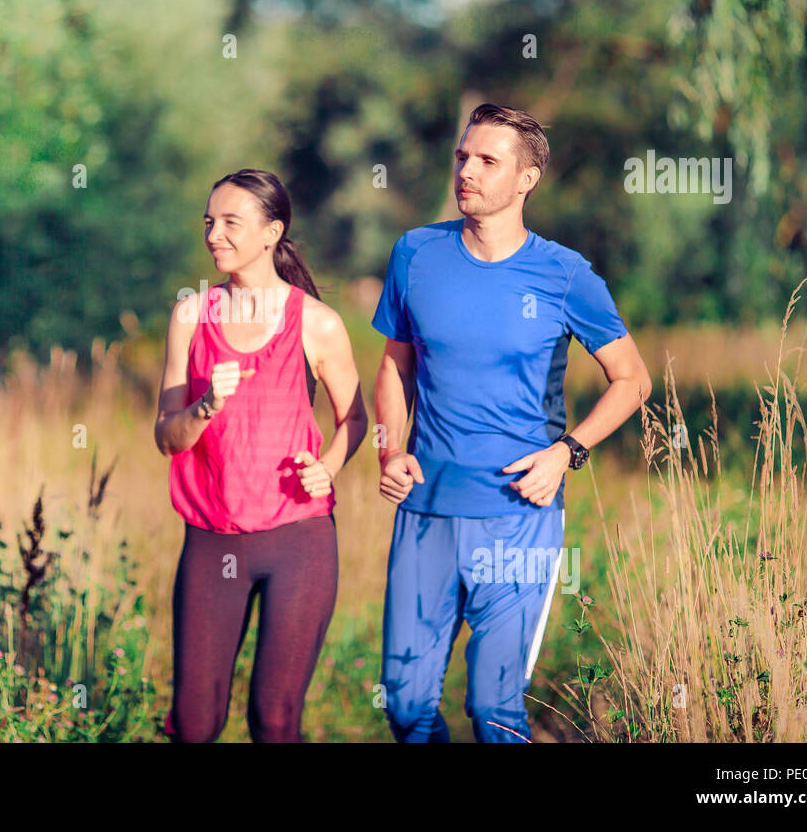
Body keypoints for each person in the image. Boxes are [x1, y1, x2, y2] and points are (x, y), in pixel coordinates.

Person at [371, 103, 652, 742]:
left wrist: (566, 452)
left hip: (518, 517)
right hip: (425, 511)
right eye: (462, 156)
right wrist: (389, 453)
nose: (466, 170)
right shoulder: (416, 253)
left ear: (526, 179)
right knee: (407, 708)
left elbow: (632, 379)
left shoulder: (565, 274)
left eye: (487, 161)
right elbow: (394, 369)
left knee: (494, 712)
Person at [154, 168, 368, 742]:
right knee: (195, 726)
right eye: (209, 222)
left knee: (273, 722)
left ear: (272, 232)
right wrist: (204, 407)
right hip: (210, 540)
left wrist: (328, 468)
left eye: (230, 223)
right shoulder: (190, 316)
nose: (214, 235)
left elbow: (356, 419)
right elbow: (165, 437)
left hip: (297, 539)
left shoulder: (317, 324)